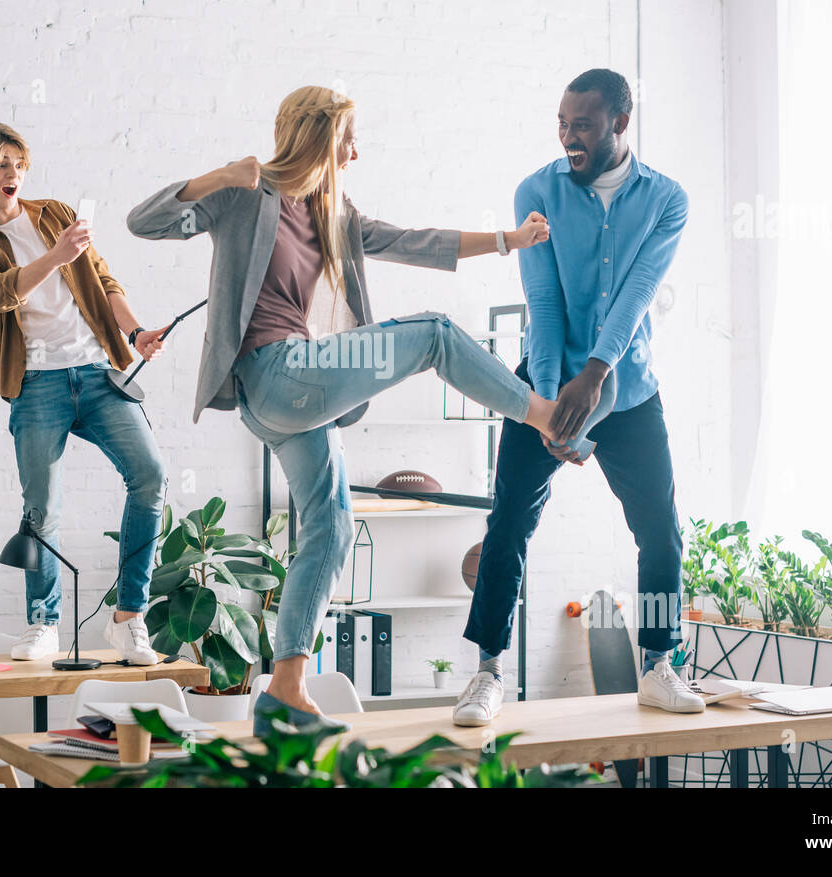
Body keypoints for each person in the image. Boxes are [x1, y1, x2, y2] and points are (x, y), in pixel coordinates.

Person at [128, 86, 574, 735]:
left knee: (332, 528)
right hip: (275, 372)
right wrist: (220, 174)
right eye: (348, 139)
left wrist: (509, 238)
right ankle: (543, 414)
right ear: (314, 135)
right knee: (435, 333)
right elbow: (145, 221)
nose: (356, 152)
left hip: (290, 399)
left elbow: (411, 240)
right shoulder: (244, 194)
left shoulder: (330, 212)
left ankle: (284, 688)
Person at [454, 69, 704, 726]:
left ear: (620, 122)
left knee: (660, 532)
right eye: (562, 123)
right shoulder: (535, 190)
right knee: (509, 522)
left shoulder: (667, 200)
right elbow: (542, 299)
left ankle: (658, 666)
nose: (569, 136)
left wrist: (595, 373)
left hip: (628, 388)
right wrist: (544, 402)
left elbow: (635, 296)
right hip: (544, 376)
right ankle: (487, 671)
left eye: (583, 125)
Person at [0, 123, 170, 664]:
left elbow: (103, 281)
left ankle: (129, 619)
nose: (13, 173)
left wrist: (135, 332)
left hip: (98, 373)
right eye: (1, 164)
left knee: (150, 477)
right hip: (37, 385)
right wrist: (56, 258)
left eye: (19, 164)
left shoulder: (55, 215)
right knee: (41, 508)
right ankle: (43, 623)